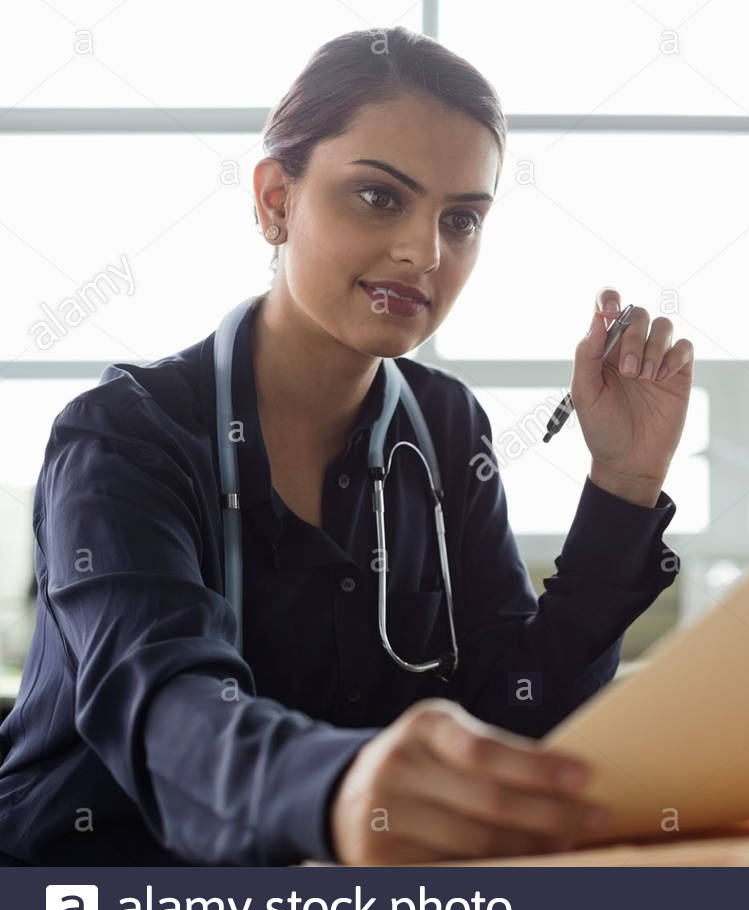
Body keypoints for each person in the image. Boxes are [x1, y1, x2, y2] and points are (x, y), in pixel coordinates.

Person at [0, 27, 693, 866]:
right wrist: (340, 790)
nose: (425, 252)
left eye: (462, 219)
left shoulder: (445, 428)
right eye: (379, 197)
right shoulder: (122, 437)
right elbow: (168, 715)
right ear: (274, 200)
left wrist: (622, 483)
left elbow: (517, 718)